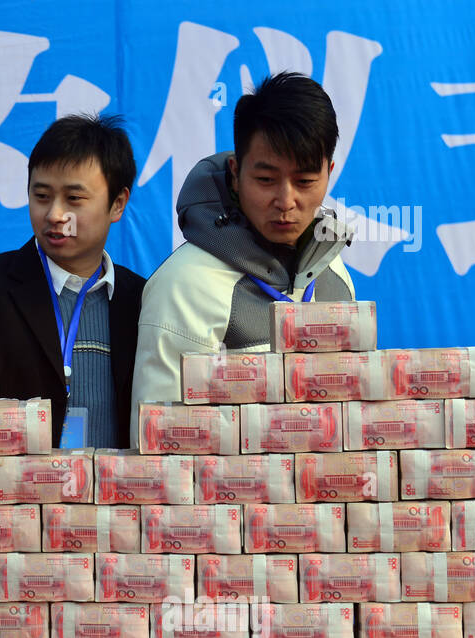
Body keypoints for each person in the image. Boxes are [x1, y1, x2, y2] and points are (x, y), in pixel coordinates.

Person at [130, 71, 356, 438]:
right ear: (235, 173)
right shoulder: (183, 285)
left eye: (304, 182)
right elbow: (162, 451)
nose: (286, 201)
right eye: (266, 180)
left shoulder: (334, 275)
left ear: (329, 173)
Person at [0, 114, 145, 448]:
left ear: (117, 204)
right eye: (42, 196)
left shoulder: (143, 301)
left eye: (74, 199)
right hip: (9, 495)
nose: (55, 215)